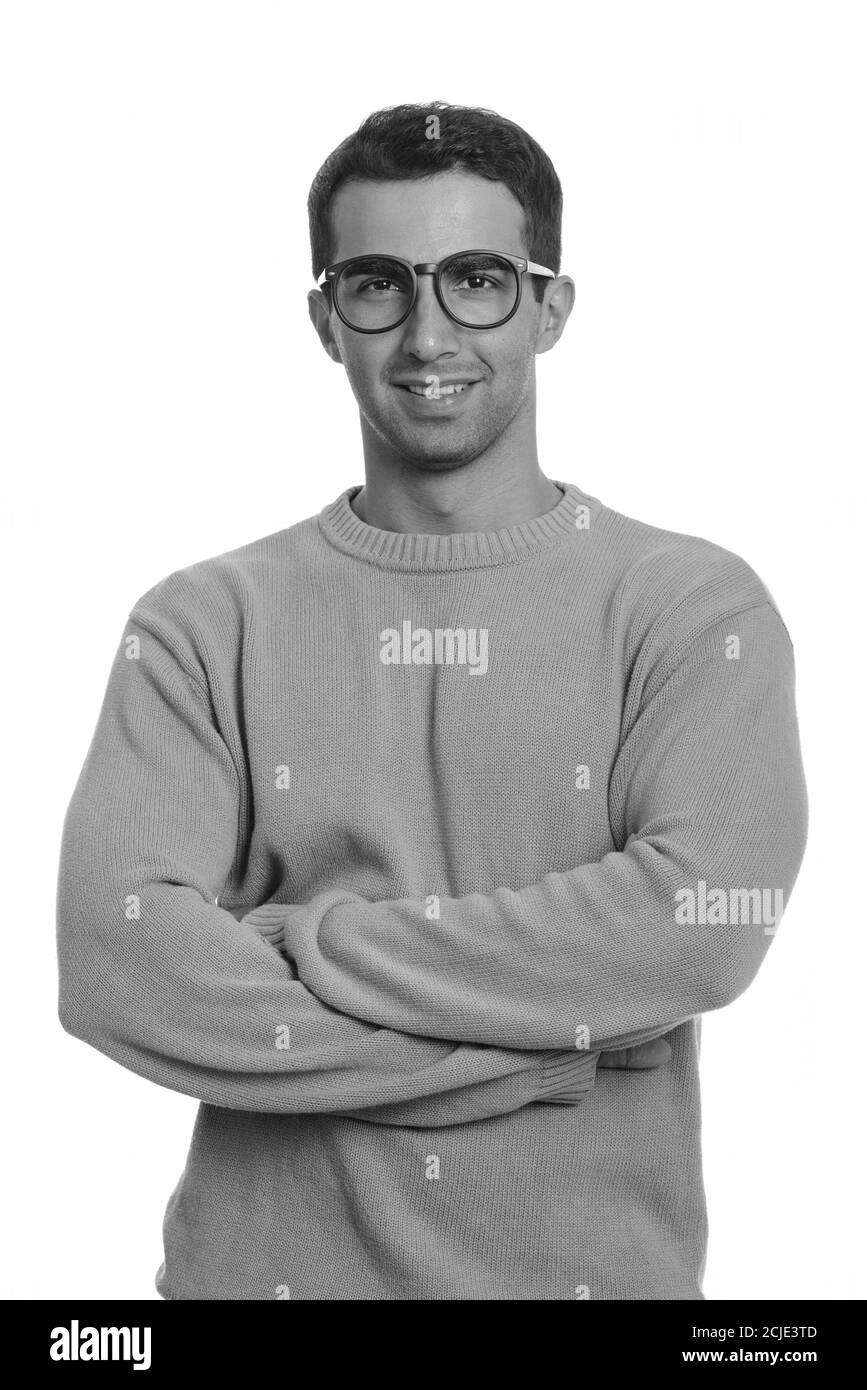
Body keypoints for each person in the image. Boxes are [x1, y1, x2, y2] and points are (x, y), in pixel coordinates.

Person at [56, 101, 808, 1300]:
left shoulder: (691, 610)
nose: (426, 333)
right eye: (376, 285)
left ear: (552, 308)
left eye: (477, 279)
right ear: (323, 319)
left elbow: (698, 925)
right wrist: (549, 1049)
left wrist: (299, 942)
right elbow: (117, 964)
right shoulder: (202, 624)